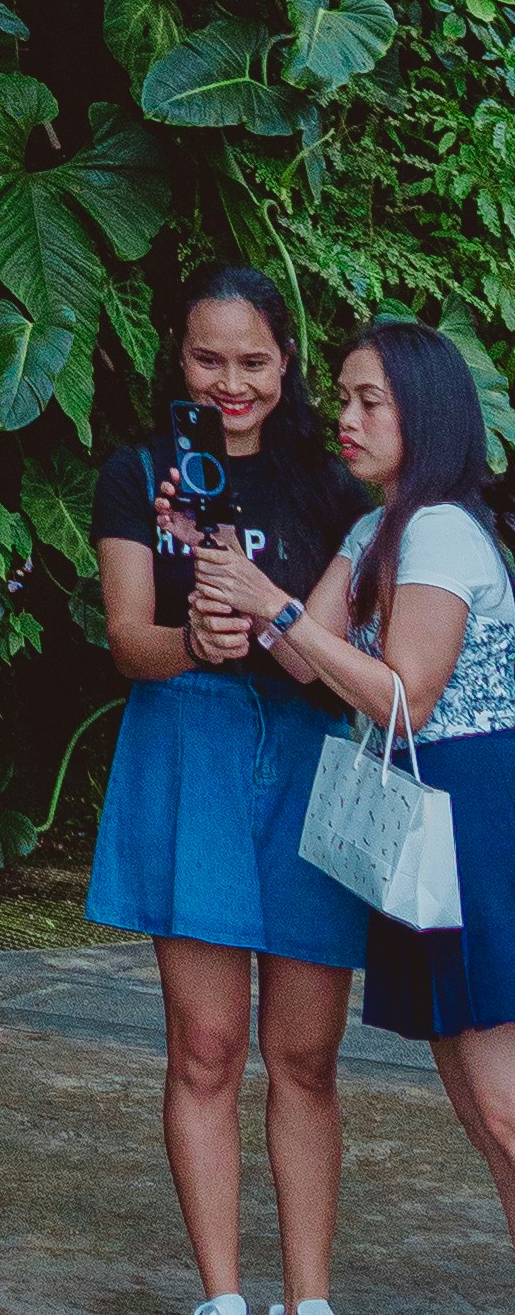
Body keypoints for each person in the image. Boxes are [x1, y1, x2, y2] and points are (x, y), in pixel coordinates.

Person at [85, 258, 365, 1315]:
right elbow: (125, 640)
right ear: (179, 356)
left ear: (288, 365)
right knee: (205, 1047)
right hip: (188, 747)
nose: (230, 382)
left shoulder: (334, 484)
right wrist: (193, 642)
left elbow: (354, 644)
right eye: (209, 358)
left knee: (306, 1054)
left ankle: (310, 1300)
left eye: (253, 361)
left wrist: (274, 627)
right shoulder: (138, 471)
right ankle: (221, 1299)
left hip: (305, 756)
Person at [240, 314, 515, 1268]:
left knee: (500, 1106)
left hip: (466, 808)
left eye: (371, 402)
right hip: (421, 817)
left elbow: (404, 700)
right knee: (484, 1108)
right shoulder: (376, 526)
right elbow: (299, 655)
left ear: (426, 417)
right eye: (344, 398)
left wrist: (268, 602)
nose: (346, 419)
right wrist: (219, 561)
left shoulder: (438, 531)